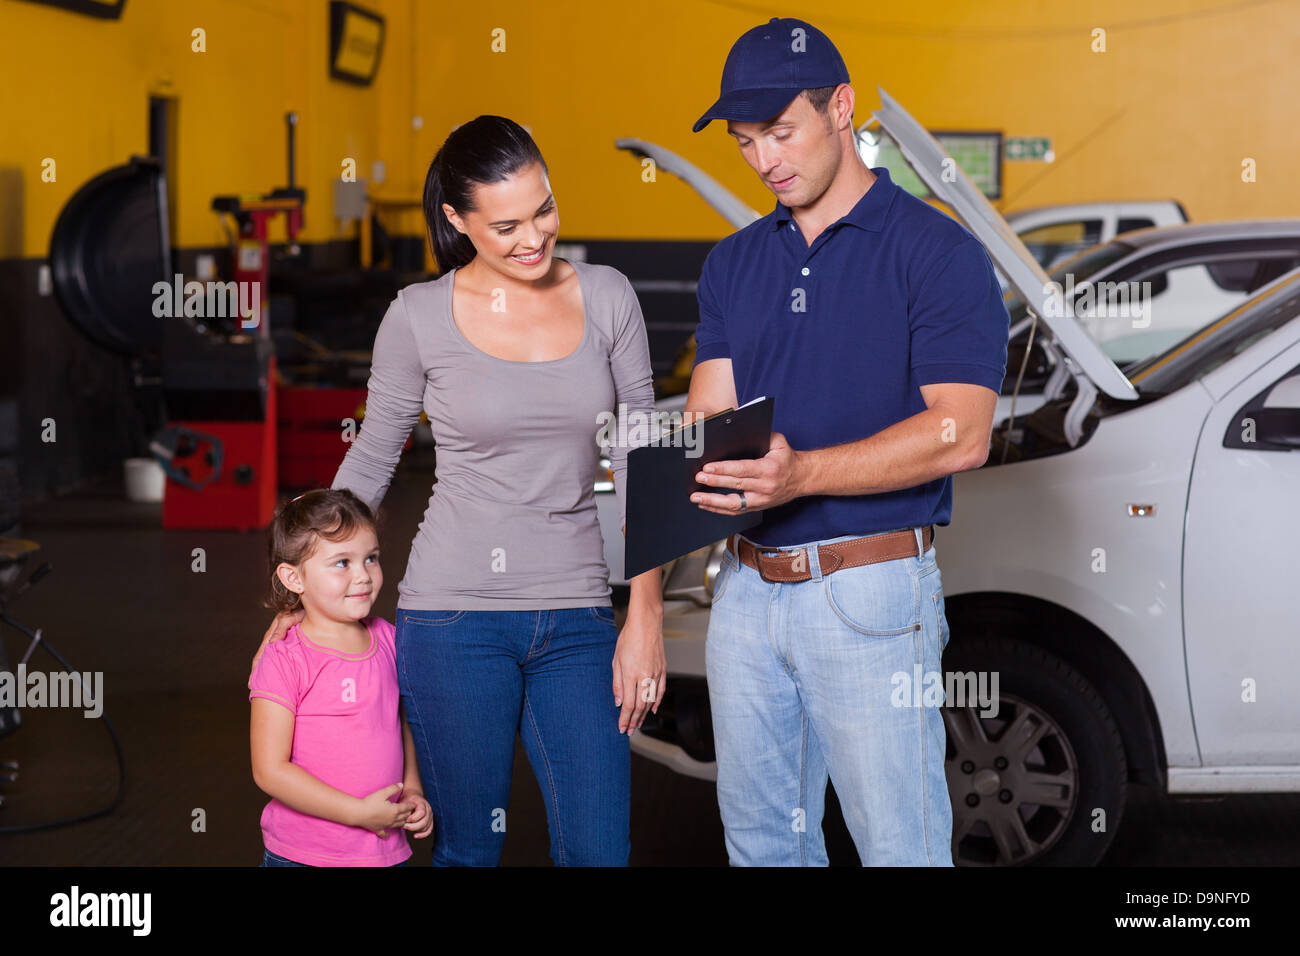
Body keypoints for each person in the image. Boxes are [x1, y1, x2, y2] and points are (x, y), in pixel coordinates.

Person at [252, 116, 663, 866]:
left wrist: (645, 612)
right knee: (471, 849)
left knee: (600, 850)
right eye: (505, 224)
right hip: (451, 618)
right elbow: (373, 457)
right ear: (456, 219)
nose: (533, 237)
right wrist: (302, 595)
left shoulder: (607, 296)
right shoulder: (417, 315)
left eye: (544, 209)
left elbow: (642, 457)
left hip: (577, 614)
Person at [685, 18, 1009, 865]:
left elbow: (962, 434)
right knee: (761, 847)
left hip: (870, 593)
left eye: (781, 132)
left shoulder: (937, 253)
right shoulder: (732, 264)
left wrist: (803, 476)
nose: (764, 161)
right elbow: (706, 424)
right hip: (746, 596)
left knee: (899, 848)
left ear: (841, 106)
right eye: (745, 141)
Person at [249, 488, 433, 867]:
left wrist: (412, 789)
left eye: (371, 558)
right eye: (341, 563)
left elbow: (402, 722)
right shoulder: (284, 658)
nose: (363, 575)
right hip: (303, 855)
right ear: (293, 577)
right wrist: (357, 813)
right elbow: (269, 770)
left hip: (384, 852)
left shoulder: (390, 639)